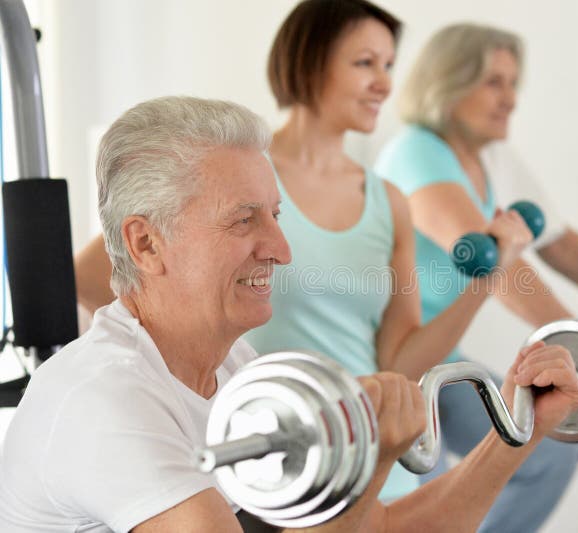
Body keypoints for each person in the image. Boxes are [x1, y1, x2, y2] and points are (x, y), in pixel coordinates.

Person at [0, 95, 578, 533]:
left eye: (275, 216)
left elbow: (377, 530)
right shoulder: (109, 400)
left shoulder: (233, 367)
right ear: (146, 244)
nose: (281, 249)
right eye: (243, 219)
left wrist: (516, 432)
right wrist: (375, 458)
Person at [72, 0, 535, 505]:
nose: (383, 83)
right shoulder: (232, 178)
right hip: (275, 466)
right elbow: (94, 277)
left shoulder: (388, 202)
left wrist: (488, 280)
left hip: (376, 463)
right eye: (364, 64)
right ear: (309, 62)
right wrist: (195, 383)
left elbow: (400, 362)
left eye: (387, 66)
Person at [375, 22, 578, 531]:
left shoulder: (489, 155)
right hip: (397, 364)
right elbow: (500, 268)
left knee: (547, 450)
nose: (510, 98)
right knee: (426, 496)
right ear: (448, 83)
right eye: (493, 83)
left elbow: (563, 245)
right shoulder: (417, 153)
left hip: (443, 361)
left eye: (513, 83)